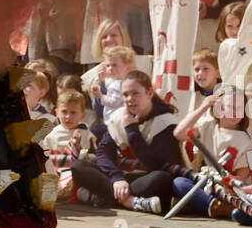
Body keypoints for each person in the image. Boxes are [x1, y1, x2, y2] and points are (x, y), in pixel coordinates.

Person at [69, 70, 179, 214]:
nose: (129, 99)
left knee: (161, 178)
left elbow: (155, 164)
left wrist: (132, 130)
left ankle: (104, 197)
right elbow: (103, 152)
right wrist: (116, 178)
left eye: (135, 93)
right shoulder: (120, 116)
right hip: (122, 177)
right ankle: (131, 202)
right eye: (125, 94)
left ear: (149, 93)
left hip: (146, 176)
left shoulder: (165, 121)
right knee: (78, 166)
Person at [166, 86, 252, 220]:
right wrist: (203, 108)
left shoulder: (246, 142)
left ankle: (206, 205)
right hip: (204, 182)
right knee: (179, 183)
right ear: (219, 108)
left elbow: (242, 178)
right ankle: (212, 206)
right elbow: (179, 133)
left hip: (225, 190)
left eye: (240, 108)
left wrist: (228, 183)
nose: (236, 112)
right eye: (231, 107)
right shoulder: (207, 127)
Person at [41, 88, 97, 204]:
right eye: (64, 112)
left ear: (82, 114)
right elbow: (46, 159)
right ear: (56, 112)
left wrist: (77, 146)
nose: (68, 116)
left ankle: (84, 194)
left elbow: (92, 155)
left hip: (79, 173)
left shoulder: (85, 132)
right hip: (58, 172)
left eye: (73, 112)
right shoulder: (52, 135)